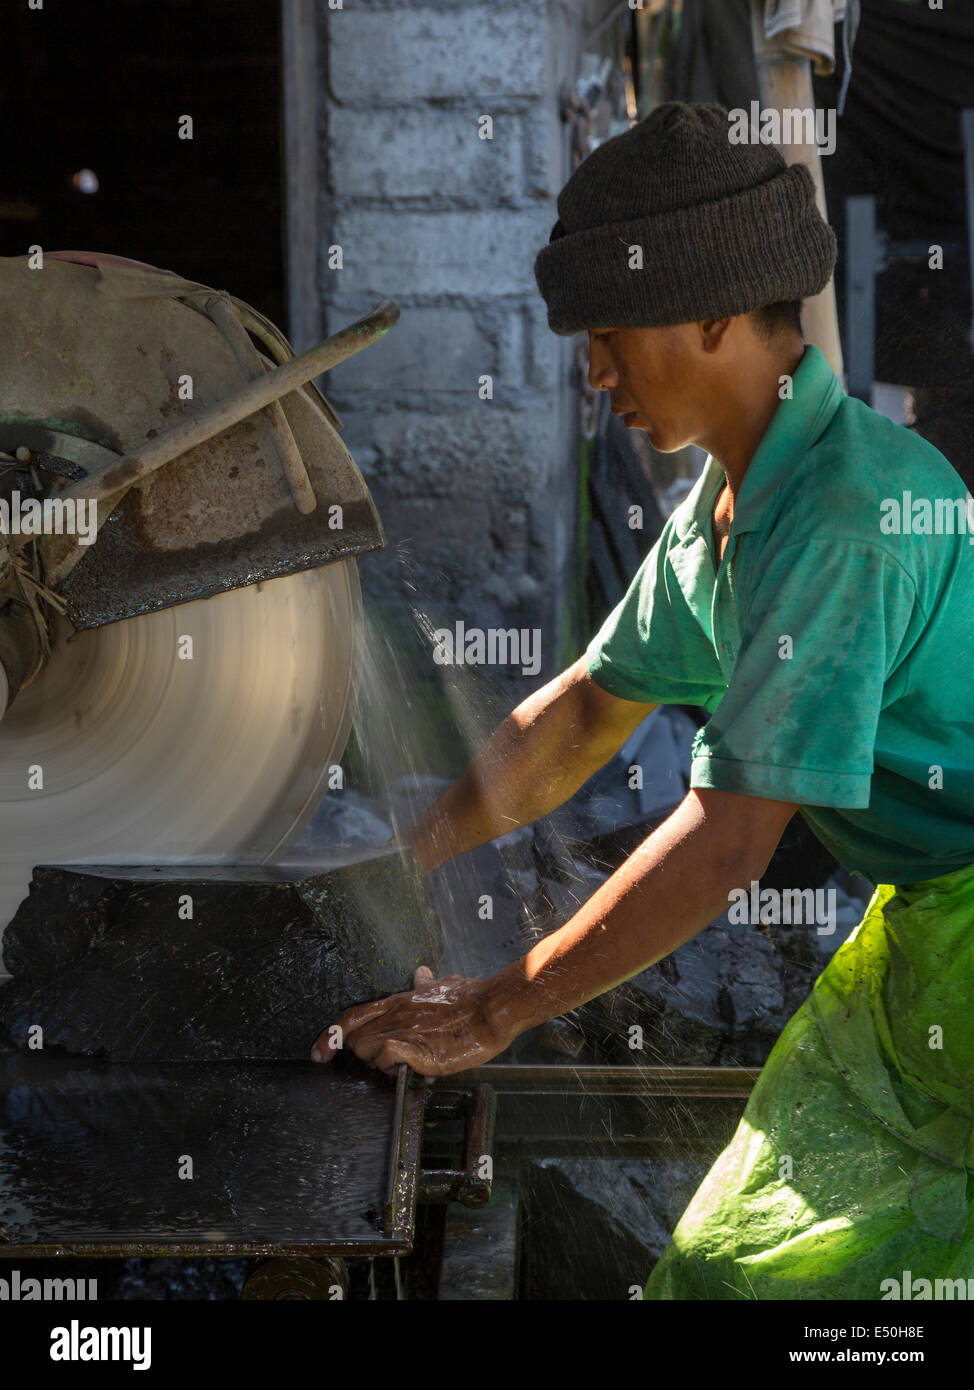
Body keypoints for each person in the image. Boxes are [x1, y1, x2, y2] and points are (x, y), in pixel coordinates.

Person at [312, 102, 974, 1299]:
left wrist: (494, 1008)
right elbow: (578, 716)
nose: (594, 373)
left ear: (714, 317)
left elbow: (727, 839)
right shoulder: (726, 514)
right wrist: (398, 863)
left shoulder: (842, 520)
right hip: (932, 929)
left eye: (610, 334)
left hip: (959, 928)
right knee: (747, 1269)